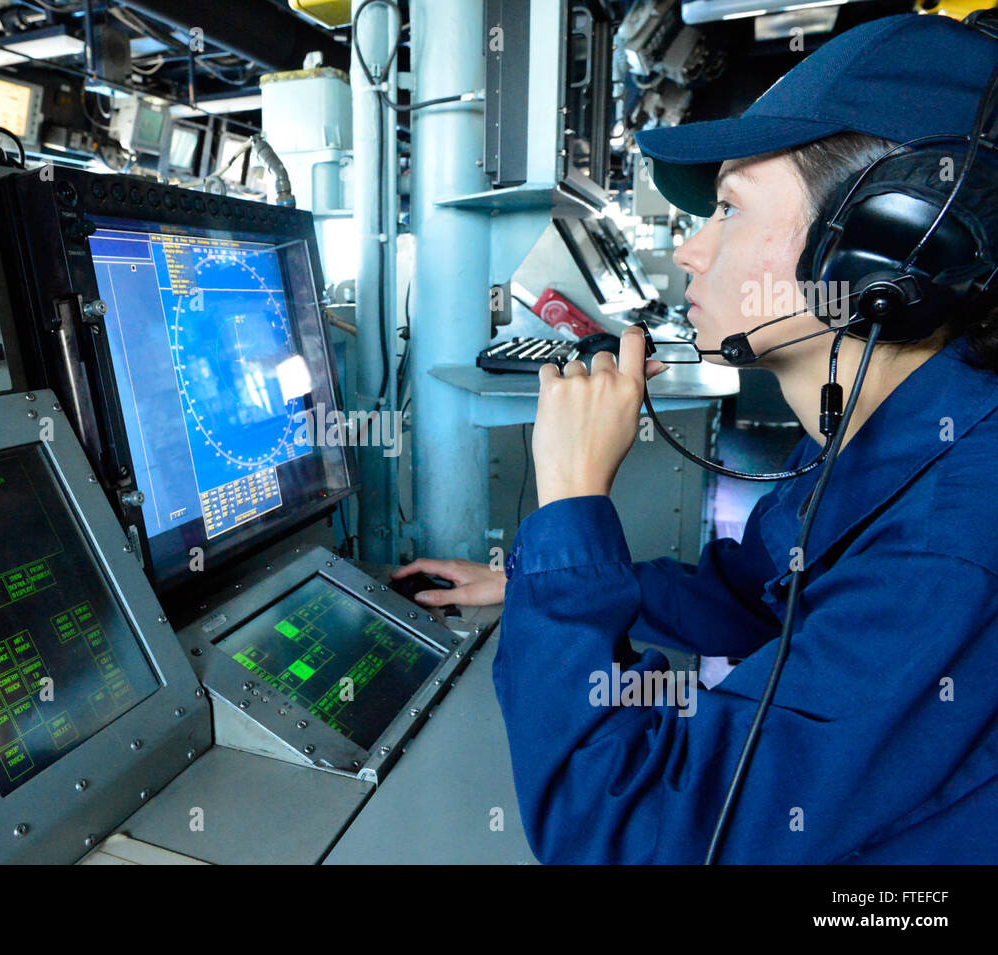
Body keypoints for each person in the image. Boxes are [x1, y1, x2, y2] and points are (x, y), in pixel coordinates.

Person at [394, 12, 998, 862]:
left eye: (726, 209)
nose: (690, 251)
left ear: (880, 248)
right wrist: (534, 579)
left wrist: (571, 502)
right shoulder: (872, 435)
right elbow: (757, 605)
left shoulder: (951, 547)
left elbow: (627, 833)